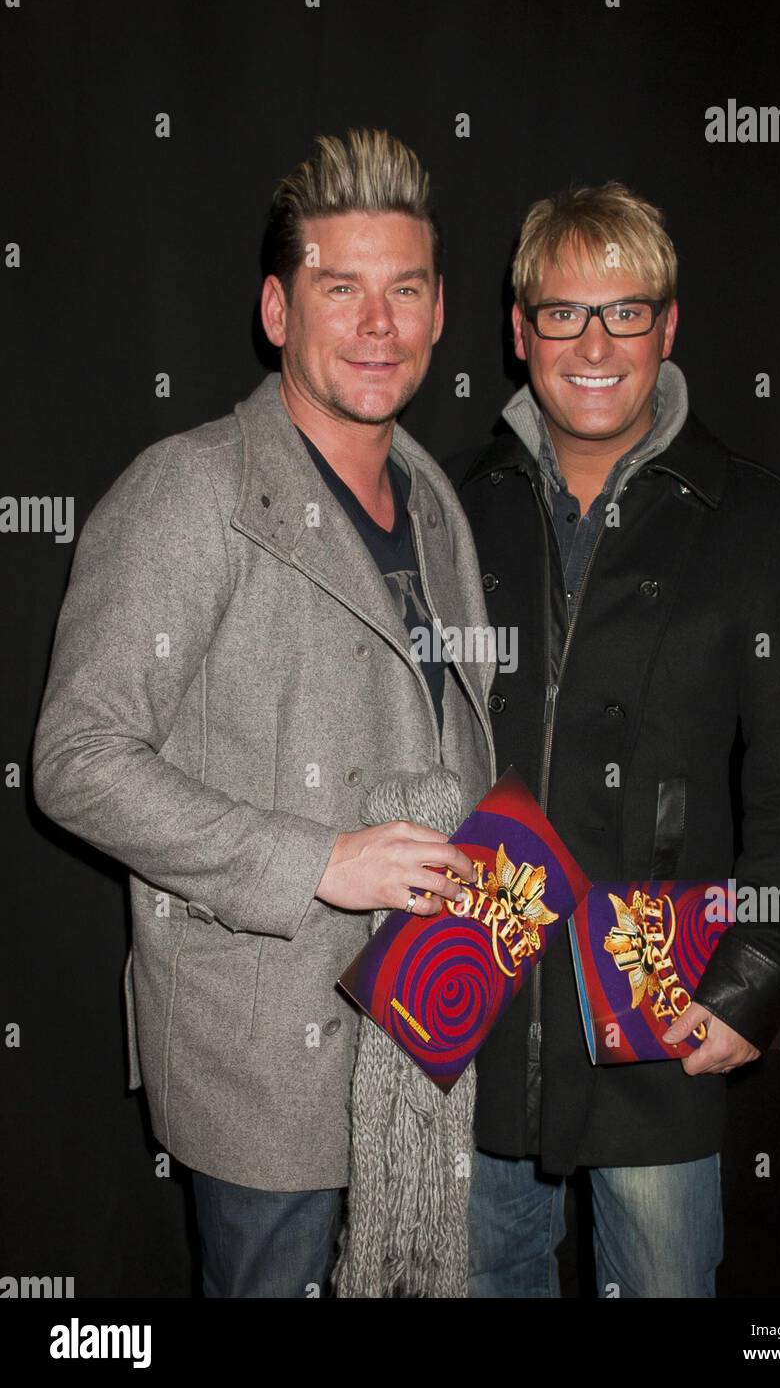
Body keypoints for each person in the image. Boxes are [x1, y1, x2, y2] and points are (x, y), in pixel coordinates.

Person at [32, 128, 495, 1298]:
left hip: (425, 1029)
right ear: (278, 312)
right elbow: (76, 761)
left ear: (441, 312)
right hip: (265, 1058)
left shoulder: (436, 495)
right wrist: (318, 859)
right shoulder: (186, 490)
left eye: (403, 291)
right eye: (341, 289)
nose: (378, 324)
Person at [445, 181, 780, 1298]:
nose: (593, 343)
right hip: (478, 1000)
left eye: (624, 312)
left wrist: (756, 976)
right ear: (518, 331)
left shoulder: (758, 523)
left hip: (660, 1008)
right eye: (563, 312)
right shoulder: (450, 507)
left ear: (667, 328)